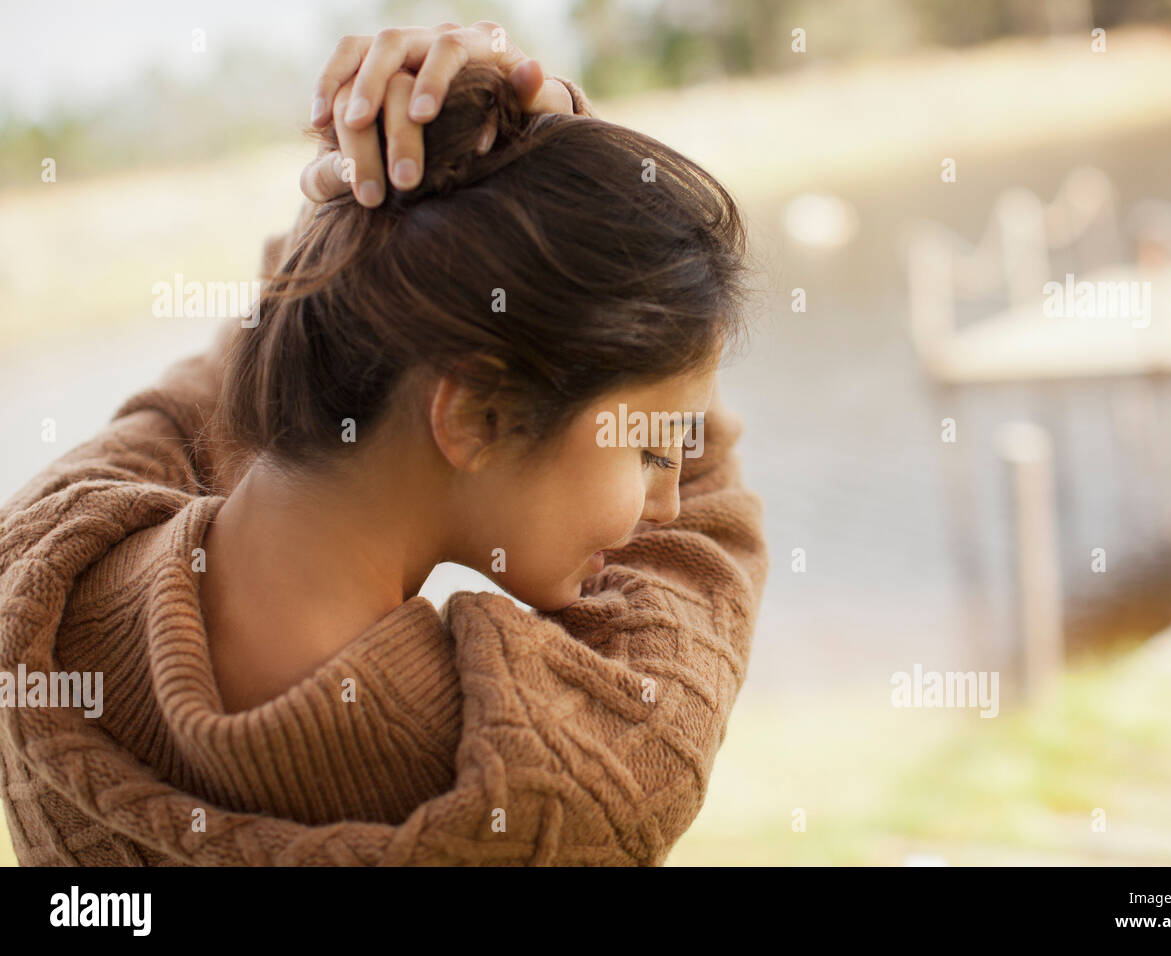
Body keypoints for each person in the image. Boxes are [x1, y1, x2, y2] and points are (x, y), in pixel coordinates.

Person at [0, 23, 768, 866]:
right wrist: (578, 181)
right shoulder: (577, 771)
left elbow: (223, 380)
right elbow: (700, 548)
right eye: (653, 446)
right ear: (476, 417)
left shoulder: (38, 581)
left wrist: (371, 213)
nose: (665, 496)